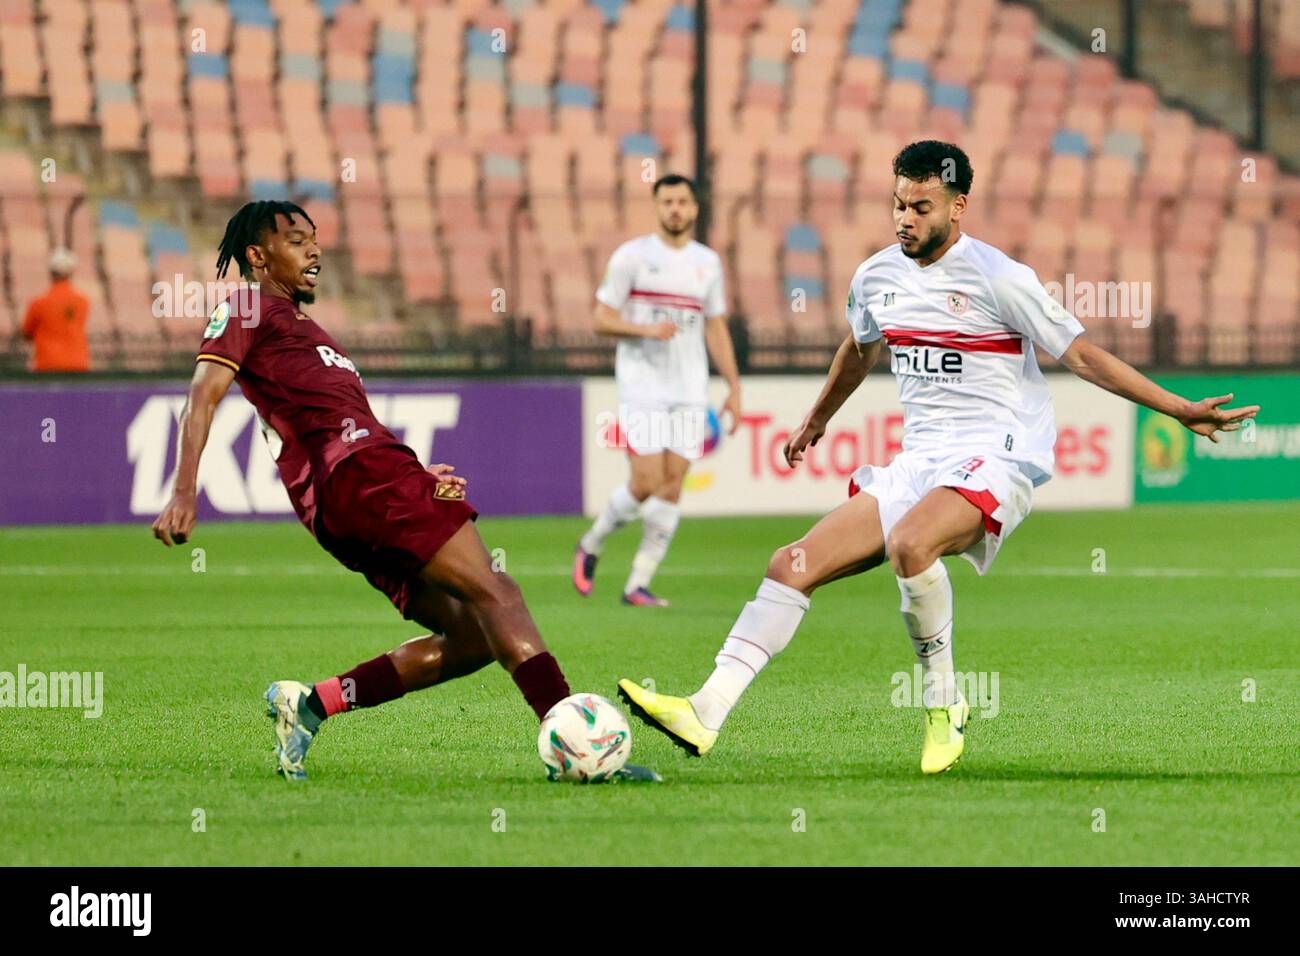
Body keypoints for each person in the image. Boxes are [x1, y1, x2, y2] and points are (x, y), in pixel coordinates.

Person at [617, 141, 1260, 774]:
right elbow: (859, 348)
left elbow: (1082, 355)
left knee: (911, 543)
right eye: (898, 203)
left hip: (998, 456)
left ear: (959, 207)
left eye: (921, 206)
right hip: (921, 459)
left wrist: (1178, 409)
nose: (905, 219)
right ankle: (704, 711)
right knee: (791, 564)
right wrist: (816, 418)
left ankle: (942, 706)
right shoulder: (876, 276)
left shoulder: (1001, 278)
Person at [151, 200, 653, 783]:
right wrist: (184, 490)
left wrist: (417, 471)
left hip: (359, 491)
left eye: (314, 239)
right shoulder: (246, 305)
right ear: (258, 256)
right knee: (499, 592)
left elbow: (336, 419)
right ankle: (577, 745)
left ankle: (310, 705)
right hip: (362, 479)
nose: (314, 250)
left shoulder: (311, 335)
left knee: (474, 634)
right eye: (295, 240)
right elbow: (201, 396)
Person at [573, 174, 742, 607]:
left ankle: (637, 584)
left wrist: (733, 386)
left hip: (689, 387)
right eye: (667, 201)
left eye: (683, 201)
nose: (675, 209)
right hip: (642, 384)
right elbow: (600, 318)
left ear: (695, 208)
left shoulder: (708, 263)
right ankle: (592, 542)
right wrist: (645, 329)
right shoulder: (632, 257)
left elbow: (716, 324)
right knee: (646, 480)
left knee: (673, 484)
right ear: (657, 205)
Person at [21, 248, 90, 372]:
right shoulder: (83, 301)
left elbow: (27, 332)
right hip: (77, 362)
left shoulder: (39, 302)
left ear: (51, 273)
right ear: (71, 273)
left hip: (47, 363)